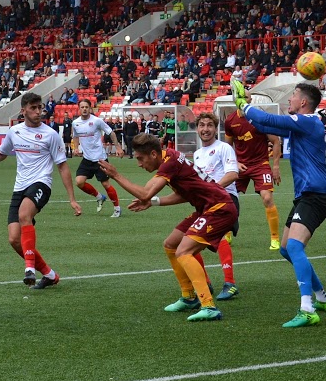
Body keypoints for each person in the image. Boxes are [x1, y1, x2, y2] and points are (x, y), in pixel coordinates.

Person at [101, 131, 235, 323]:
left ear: (153, 154)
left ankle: (208, 306)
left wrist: (116, 175)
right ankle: (189, 297)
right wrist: (153, 202)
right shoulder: (170, 157)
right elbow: (184, 194)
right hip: (207, 207)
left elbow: (144, 193)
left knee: (184, 251)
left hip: (219, 207)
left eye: (140, 159)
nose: (139, 164)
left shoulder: (170, 162)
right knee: (171, 244)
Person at [232, 78, 326, 328]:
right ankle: (322, 298)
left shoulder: (307, 121)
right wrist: (245, 108)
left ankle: (307, 309)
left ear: (303, 102)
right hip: (307, 196)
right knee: (287, 248)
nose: (289, 99)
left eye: (293, 95)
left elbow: (267, 119)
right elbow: (262, 124)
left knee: (295, 247)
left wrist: (244, 104)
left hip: (315, 196)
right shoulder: (303, 125)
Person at [0, 92, 81, 288]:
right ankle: (50, 274)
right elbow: (1, 154)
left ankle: (29, 269)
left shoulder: (51, 135)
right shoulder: (14, 131)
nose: (38, 112)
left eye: (39, 107)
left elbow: (62, 166)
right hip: (20, 187)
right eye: (33, 108)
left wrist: (72, 199)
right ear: (23, 111)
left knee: (24, 215)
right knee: (14, 239)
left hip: (41, 183)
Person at [189, 113, 241, 300]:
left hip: (226, 199)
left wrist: (212, 190)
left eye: (209, 125)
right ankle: (206, 283)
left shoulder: (224, 148)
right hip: (207, 202)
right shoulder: (197, 155)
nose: (205, 129)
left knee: (221, 236)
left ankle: (230, 283)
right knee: (187, 241)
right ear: (197, 129)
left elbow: (233, 174)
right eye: (202, 125)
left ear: (215, 128)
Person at [224, 109, 283, 250]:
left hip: (260, 164)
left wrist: (275, 166)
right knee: (226, 197)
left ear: (250, 99)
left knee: (267, 198)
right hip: (240, 166)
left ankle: (275, 238)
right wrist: (236, 163)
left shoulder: (259, 117)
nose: (244, 99)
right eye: (241, 98)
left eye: (247, 98)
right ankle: (226, 233)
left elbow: (276, 141)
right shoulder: (230, 120)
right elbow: (227, 147)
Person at [69, 98, 121, 218]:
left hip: (100, 158)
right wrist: (75, 148)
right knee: (79, 182)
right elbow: (75, 136)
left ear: (90, 108)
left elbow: (111, 133)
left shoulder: (97, 121)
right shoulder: (75, 123)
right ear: (79, 109)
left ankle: (117, 209)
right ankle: (99, 197)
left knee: (106, 184)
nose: (84, 109)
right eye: (82, 107)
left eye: (86, 107)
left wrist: (118, 147)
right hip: (87, 159)